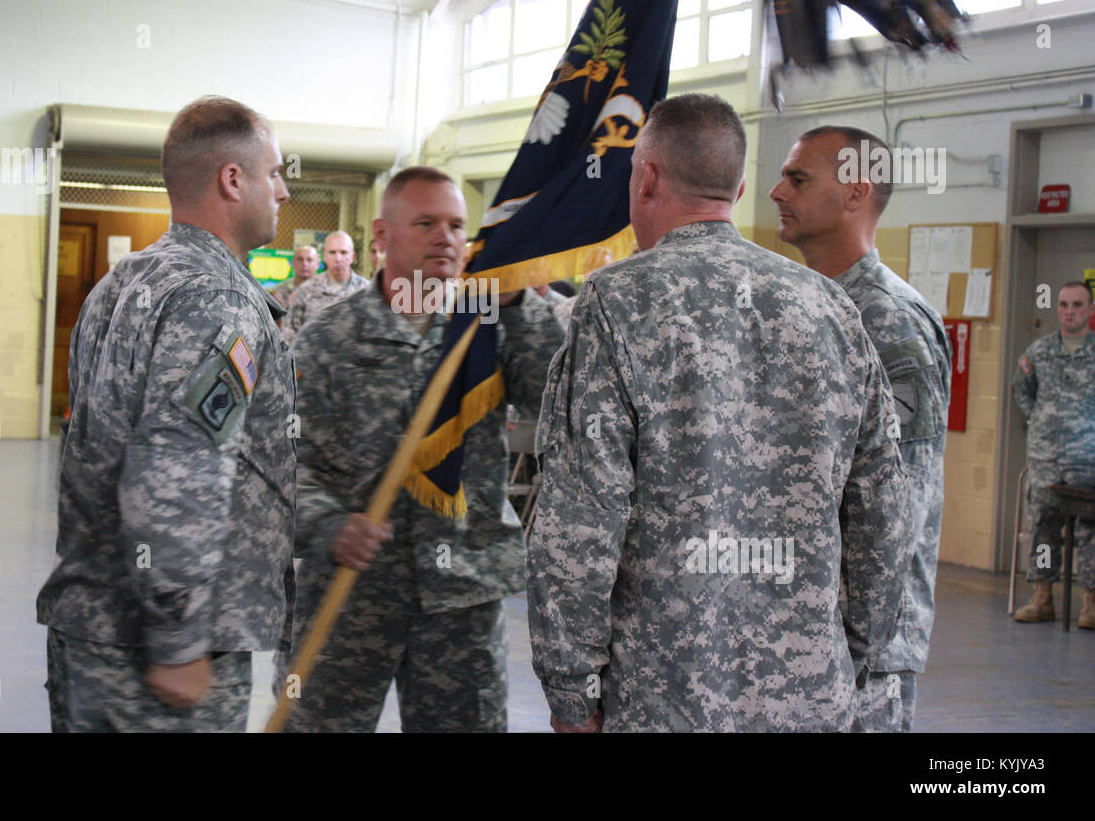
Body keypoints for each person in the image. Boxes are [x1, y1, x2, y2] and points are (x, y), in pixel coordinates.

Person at [527, 93, 912, 733]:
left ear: (645, 177)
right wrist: (854, 658)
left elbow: (579, 522)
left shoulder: (614, 303)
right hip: (809, 694)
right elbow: (882, 512)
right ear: (736, 191)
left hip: (664, 696)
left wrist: (571, 692)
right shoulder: (831, 307)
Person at [36, 96, 297, 731]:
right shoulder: (219, 301)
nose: (284, 192)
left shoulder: (123, 282)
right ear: (232, 181)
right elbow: (177, 474)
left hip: (91, 629)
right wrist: (179, 638)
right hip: (156, 655)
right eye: (272, 173)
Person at [281, 166, 562, 732]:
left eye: (457, 225)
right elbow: (282, 464)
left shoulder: (488, 326)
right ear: (382, 236)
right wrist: (329, 525)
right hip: (348, 594)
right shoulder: (329, 339)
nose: (446, 238)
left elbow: (561, 402)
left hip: (460, 594)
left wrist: (516, 305)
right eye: (426, 223)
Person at [771, 125, 951, 731]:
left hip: (861, 652)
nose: (776, 191)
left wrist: (855, 641)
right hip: (804, 631)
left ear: (855, 194)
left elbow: (903, 503)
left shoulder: (889, 323)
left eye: (798, 179)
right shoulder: (817, 306)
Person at [1011, 280, 1095, 629]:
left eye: (1077, 305)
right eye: (1063, 305)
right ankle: (1042, 597)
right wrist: (1040, 421)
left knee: (1091, 533)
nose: (1069, 311)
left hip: (1087, 462)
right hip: (1046, 461)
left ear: (1090, 311)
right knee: (1045, 531)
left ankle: (1090, 604)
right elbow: (1022, 391)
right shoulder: (1039, 352)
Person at [282, 230, 369, 341]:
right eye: (332, 252)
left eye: (343, 252)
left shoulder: (366, 291)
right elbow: (289, 333)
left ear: (352, 257)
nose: (338, 259)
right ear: (324, 256)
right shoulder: (306, 290)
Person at [270, 244, 319, 309]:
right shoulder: (279, 291)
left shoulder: (328, 291)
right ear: (293, 262)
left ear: (317, 264)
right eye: (300, 259)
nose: (304, 264)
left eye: (309, 260)